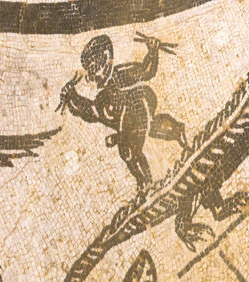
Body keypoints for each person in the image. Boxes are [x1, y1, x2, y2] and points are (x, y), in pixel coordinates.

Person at [59, 33, 188, 200]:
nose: (90, 77)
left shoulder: (120, 75)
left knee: (131, 145)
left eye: (92, 69)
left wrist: (153, 51)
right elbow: (91, 112)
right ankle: (146, 182)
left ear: (105, 60)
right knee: (144, 135)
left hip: (140, 102)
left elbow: (146, 71)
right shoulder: (103, 99)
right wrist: (72, 97)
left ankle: (148, 181)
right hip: (129, 122)